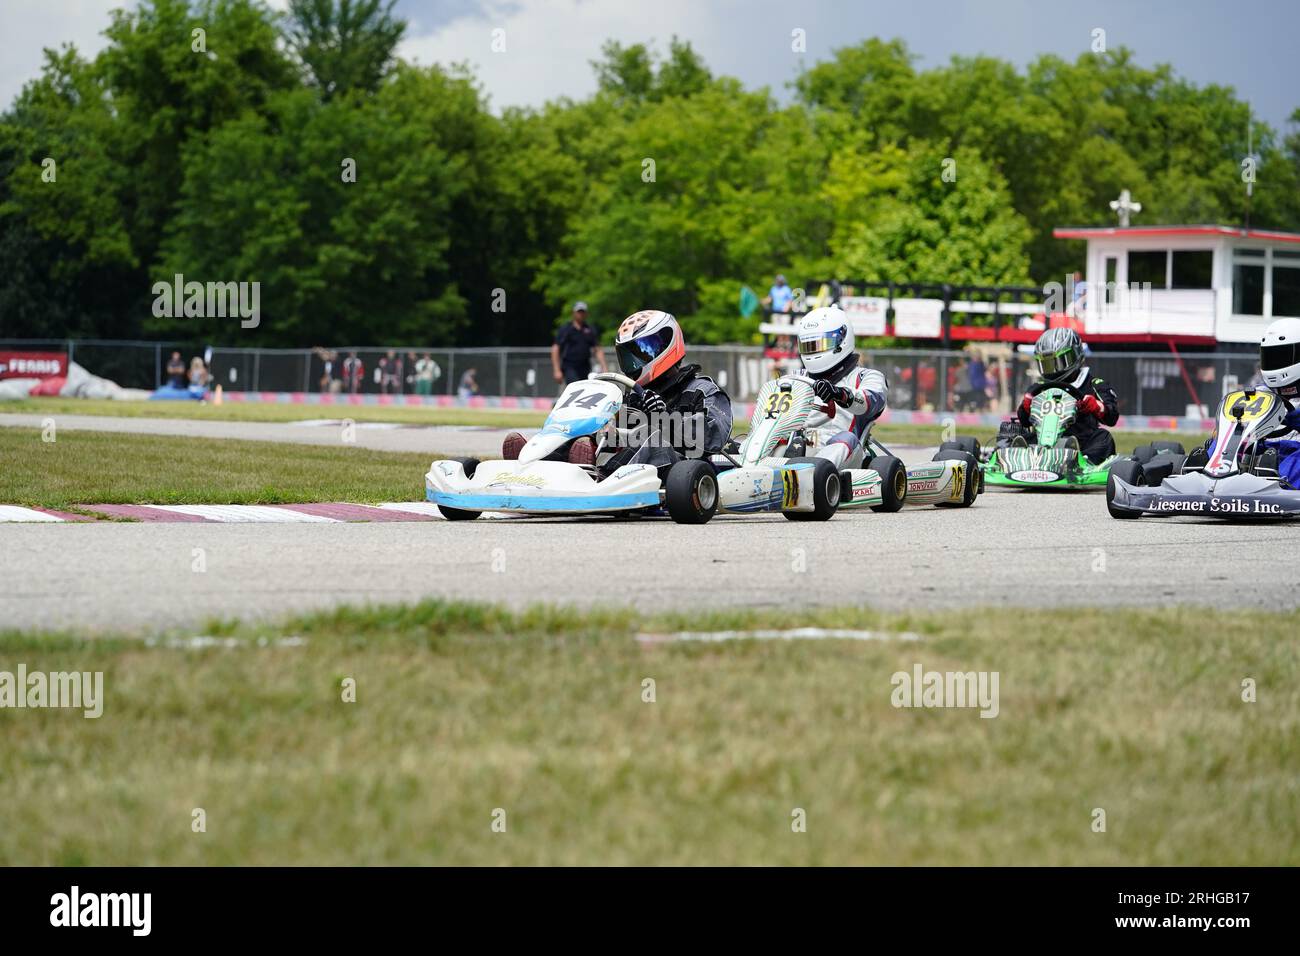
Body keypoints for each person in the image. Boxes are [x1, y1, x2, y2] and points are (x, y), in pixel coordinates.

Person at [502, 310, 732, 469]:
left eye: (641, 351)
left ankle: (594, 475)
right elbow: (616, 432)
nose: (634, 363)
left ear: (666, 344)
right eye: (628, 356)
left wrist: (663, 417)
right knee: (588, 433)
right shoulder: (633, 394)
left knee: (652, 441)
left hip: (679, 467)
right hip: (629, 461)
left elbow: (712, 438)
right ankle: (535, 464)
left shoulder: (702, 390)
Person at [1189, 318, 1300, 485]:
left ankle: (1279, 484)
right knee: (1218, 446)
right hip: (1262, 448)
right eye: (1271, 357)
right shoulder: (1261, 392)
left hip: (1293, 452)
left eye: (1282, 356)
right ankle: (1202, 475)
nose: (1276, 363)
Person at [787, 306, 887, 469]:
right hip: (798, 447)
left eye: (820, 344)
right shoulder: (797, 377)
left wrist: (839, 394)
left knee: (846, 439)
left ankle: (810, 473)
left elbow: (871, 403)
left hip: (842, 452)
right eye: (809, 346)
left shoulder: (867, 376)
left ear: (842, 340)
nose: (813, 351)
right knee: (777, 438)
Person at [1015, 328, 1119, 463]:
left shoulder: (1093, 384)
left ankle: (1083, 463)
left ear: (1074, 355)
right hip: (1042, 443)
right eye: (1047, 364)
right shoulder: (1037, 388)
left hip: (1082, 444)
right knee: (1014, 433)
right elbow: (1024, 421)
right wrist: (1026, 408)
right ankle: (1016, 459)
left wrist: (1096, 407)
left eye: (1058, 362)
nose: (1053, 370)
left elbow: (1112, 417)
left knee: (1104, 438)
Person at [552, 302, 606, 385]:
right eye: (579, 312)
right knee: (575, 386)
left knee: (586, 389)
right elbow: (556, 348)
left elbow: (597, 349)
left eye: (583, 312)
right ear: (573, 313)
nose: (581, 314)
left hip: (585, 367)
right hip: (570, 367)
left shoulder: (589, 329)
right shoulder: (566, 329)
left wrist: (604, 368)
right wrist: (557, 370)